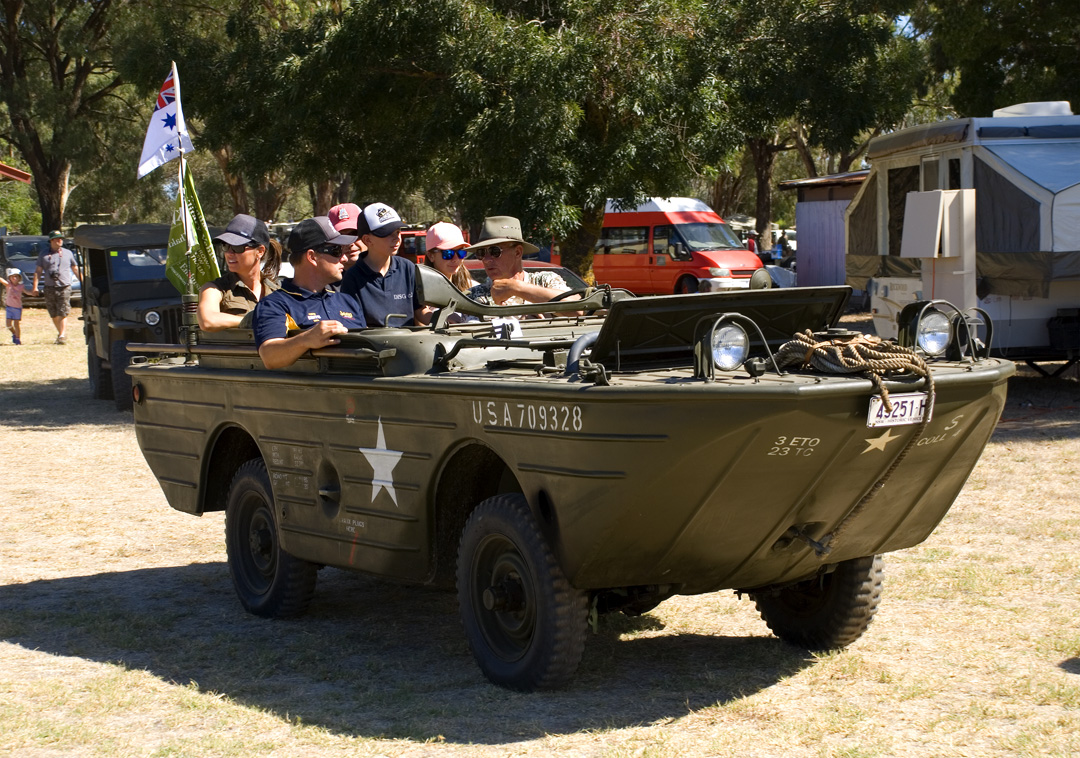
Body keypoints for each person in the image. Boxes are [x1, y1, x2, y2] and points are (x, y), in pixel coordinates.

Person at [253, 216, 367, 369]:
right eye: (336, 251)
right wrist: (306, 340)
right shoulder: (274, 305)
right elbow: (269, 356)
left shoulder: (348, 302)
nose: (344, 258)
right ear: (312, 257)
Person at [340, 202, 430, 327]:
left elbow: (420, 310)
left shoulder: (407, 268)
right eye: (387, 234)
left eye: (398, 232)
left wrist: (445, 318)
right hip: (372, 345)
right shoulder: (352, 278)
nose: (396, 238)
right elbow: (354, 326)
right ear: (367, 240)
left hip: (409, 344)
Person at [198, 214, 281, 331]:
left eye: (238, 247)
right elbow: (208, 320)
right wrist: (251, 320)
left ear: (260, 251)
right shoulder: (214, 289)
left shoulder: (278, 290)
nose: (229, 253)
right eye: (226, 246)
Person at [463, 216, 571, 306]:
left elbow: (577, 308)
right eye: (481, 253)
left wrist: (515, 287)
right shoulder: (474, 296)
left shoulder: (545, 281)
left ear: (518, 252)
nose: (486, 260)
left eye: (494, 251)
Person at [31, 230, 82, 344]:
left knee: (63, 311)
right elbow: (38, 271)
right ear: (51, 241)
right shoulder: (43, 254)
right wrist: (35, 287)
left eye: (61, 239)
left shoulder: (68, 253)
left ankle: (62, 335)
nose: (60, 241)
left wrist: (83, 282)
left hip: (64, 287)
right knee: (53, 313)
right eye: (57, 239)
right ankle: (61, 334)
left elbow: (75, 268)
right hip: (49, 287)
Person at [422, 222, 476, 292]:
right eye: (448, 253)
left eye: (461, 252)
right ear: (431, 256)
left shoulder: (472, 289)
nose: (456, 259)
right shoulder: (420, 293)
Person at [328, 202, 367, 271]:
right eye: (341, 237)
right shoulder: (324, 280)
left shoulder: (387, 269)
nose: (349, 243)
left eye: (354, 233)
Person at [1, 267, 24, 345]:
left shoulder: (21, 286)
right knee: (8, 324)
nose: (14, 278)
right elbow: (2, 280)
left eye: (16, 276)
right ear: (9, 278)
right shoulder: (8, 285)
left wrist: (33, 292)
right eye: (12, 276)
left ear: (19, 278)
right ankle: (14, 333)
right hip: (9, 307)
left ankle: (17, 339)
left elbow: (27, 292)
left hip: (17, 308)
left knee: (16, 324)